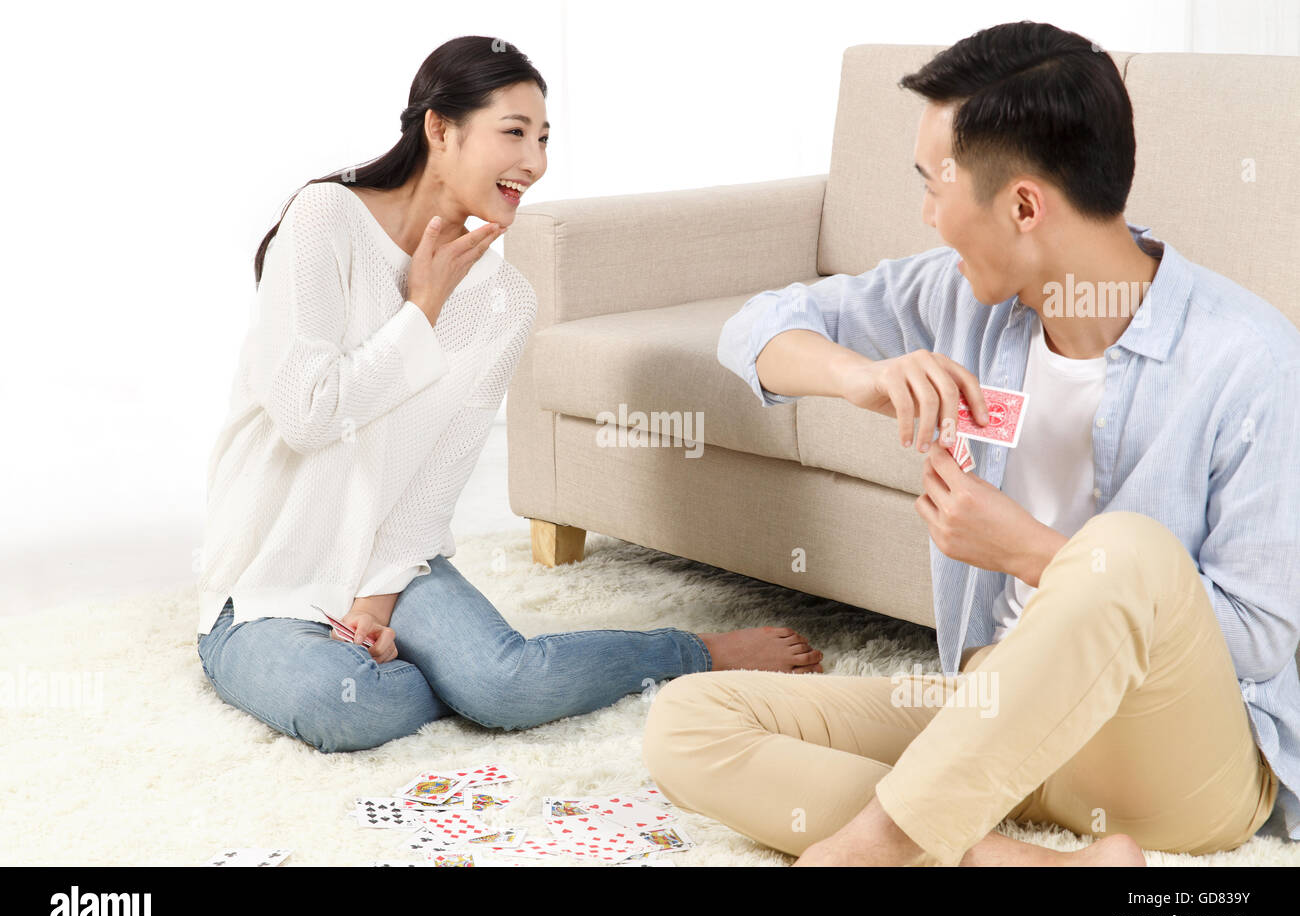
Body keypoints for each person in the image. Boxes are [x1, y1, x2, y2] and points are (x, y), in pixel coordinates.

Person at [642, 20, 1300, 866]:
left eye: (933, 185)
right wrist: (860, 379)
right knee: (689, 720)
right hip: (994, 721)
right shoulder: (961, 298)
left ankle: (874, 848)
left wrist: (1030, 553)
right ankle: (1019, 861)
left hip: (1171, 765)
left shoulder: (1251, 359)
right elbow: (760, 325)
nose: (925, 214)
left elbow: (1259, 634)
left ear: (1023, 205)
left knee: (1127, 552)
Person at [195, 36, 822, 755]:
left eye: (545, 139)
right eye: (515, 133)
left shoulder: (503, 300)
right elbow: (310, 416)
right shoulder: (325, 219)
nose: (535, 162)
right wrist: (421, 311)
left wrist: (374, 604)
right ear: (440, 128)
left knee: (509, 687)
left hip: (387, 564)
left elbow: (434, 479)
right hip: (266, 584)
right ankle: (454, 680)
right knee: (343, 707)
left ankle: (687, 653)